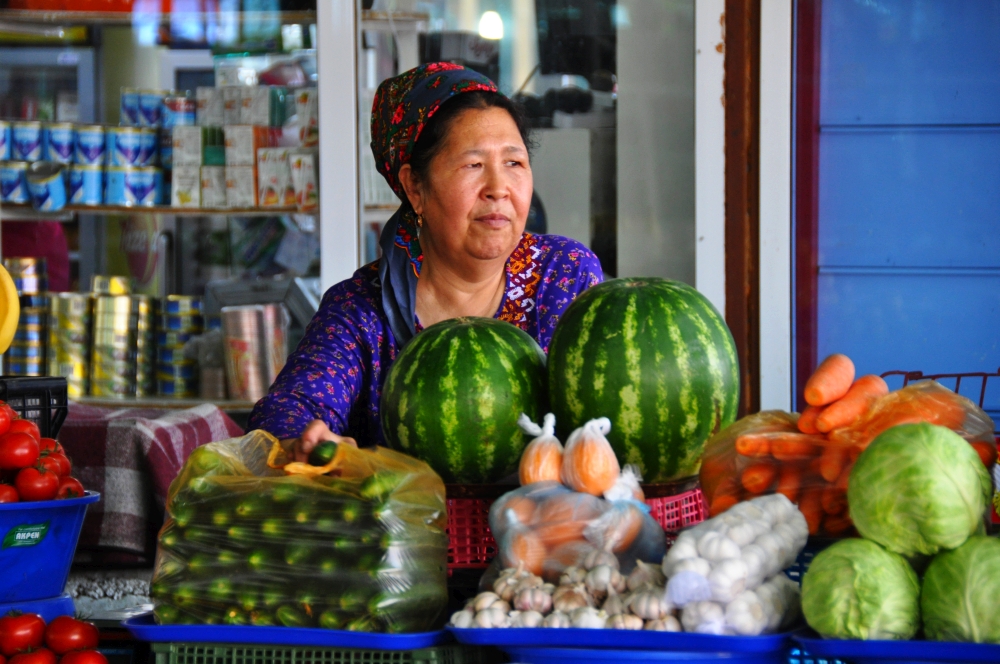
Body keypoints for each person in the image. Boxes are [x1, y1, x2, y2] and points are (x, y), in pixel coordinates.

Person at [247, 63, 603, 460]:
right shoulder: (361, 309)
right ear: (415, 187)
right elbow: (288, 409)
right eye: (473, 165)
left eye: (514, 163)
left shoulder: (564, 274)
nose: (498, 188)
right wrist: (305, 440)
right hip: (406, 503)